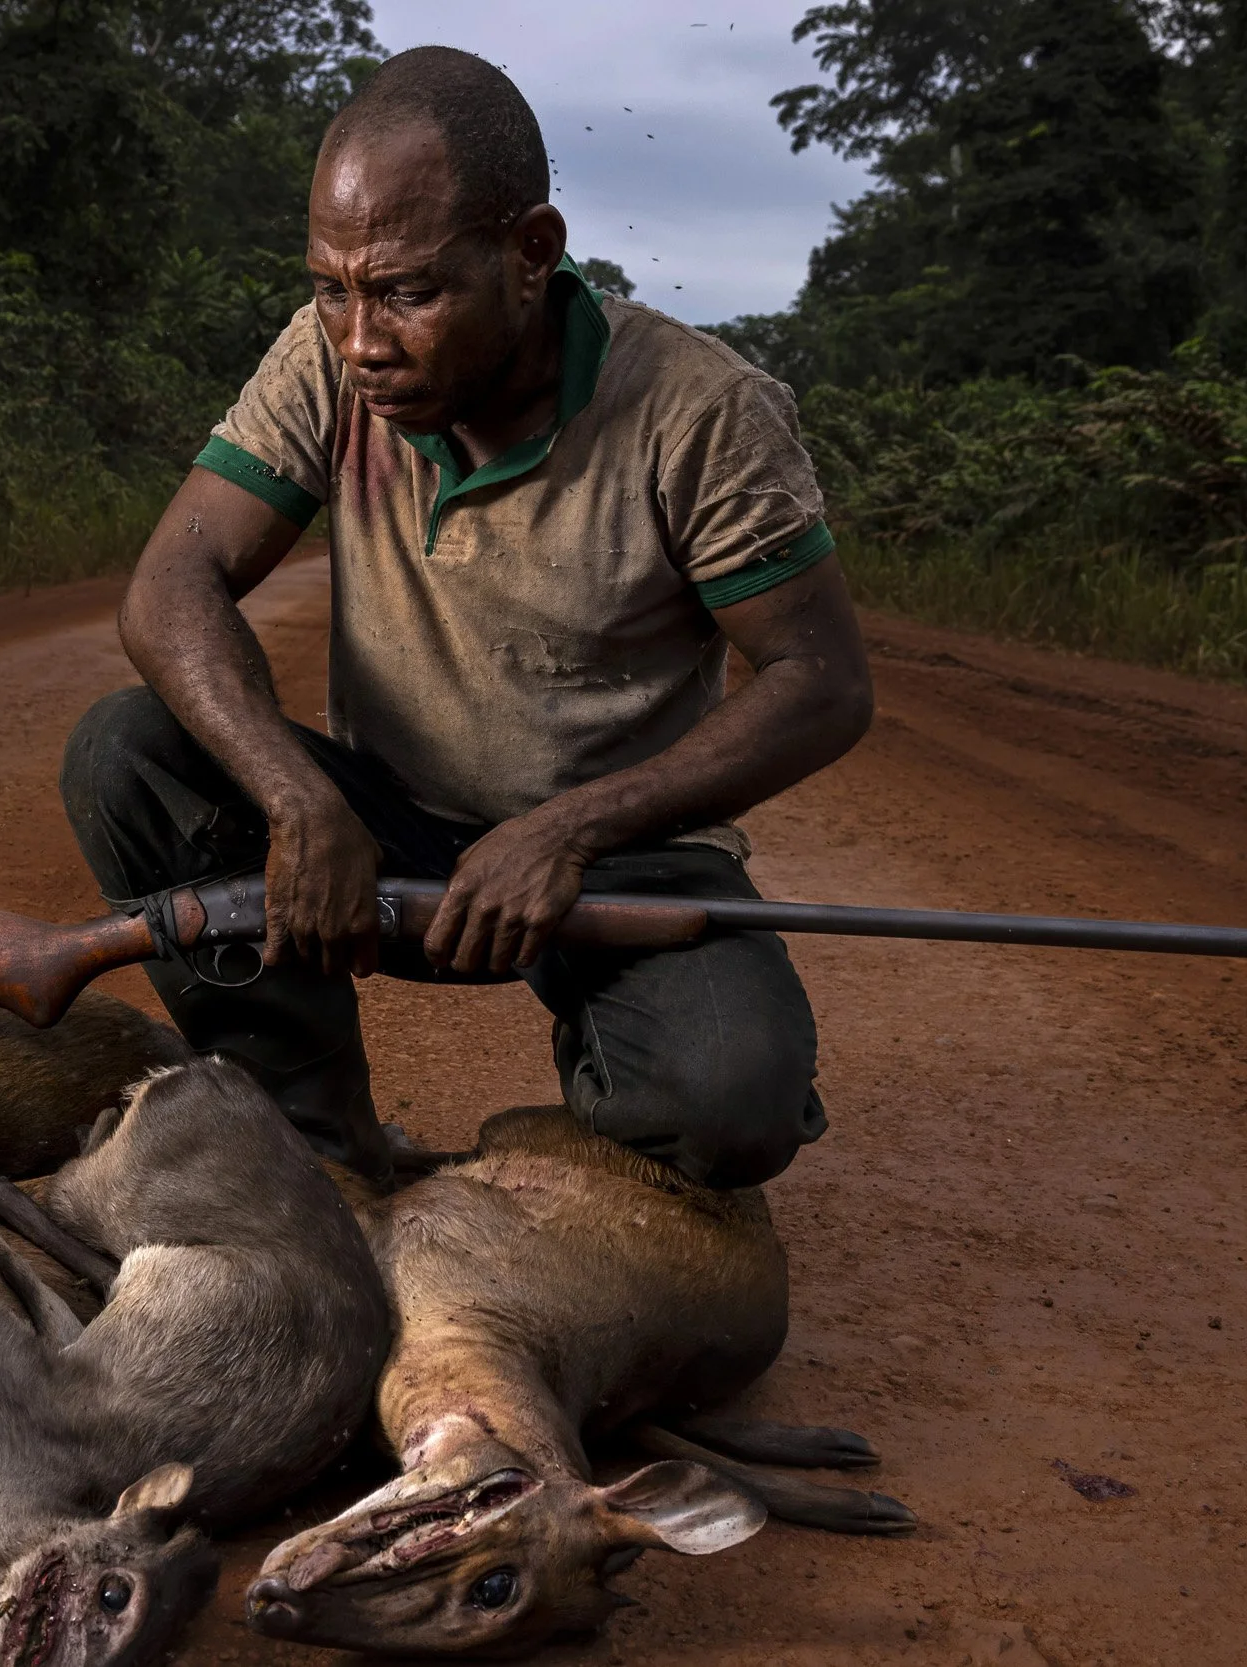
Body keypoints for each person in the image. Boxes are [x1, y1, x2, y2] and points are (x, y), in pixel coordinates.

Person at [60, 46, 874, 1188]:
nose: (360, 340)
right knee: (127, 751)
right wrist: (301, 801)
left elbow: (822, 682)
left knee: (728, 1106)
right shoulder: (329, 361)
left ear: (530, 252)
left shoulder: (701, 410)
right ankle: (321, 1148)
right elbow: (169, 586)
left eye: (407, 291)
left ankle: (594, 1117)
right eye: (329, 286)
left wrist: (570, 830)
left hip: (618, 856)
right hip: (383, 831)